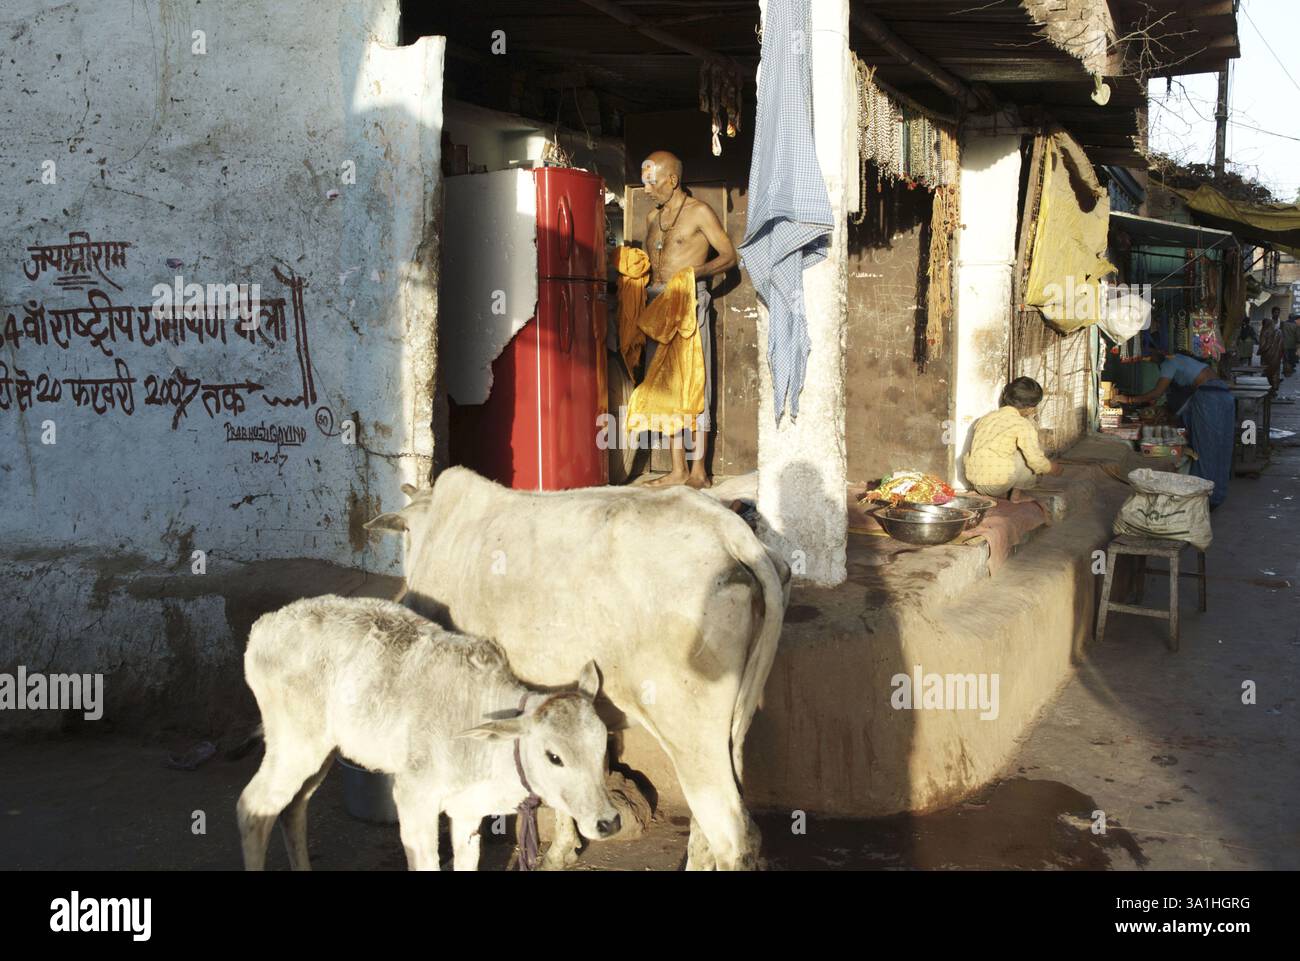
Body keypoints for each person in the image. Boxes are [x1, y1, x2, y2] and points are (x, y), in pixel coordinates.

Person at [635, 150, 736, 489]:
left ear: (672, 180)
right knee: (664, 388)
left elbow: (729, 256)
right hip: (657, 307)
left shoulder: (699, 213)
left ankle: (699, 472)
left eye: (651, 182)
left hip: (691, 305)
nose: (646, 189)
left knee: (695, 383)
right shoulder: (652, 219)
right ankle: (677, 470)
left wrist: (696, 273)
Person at [1114, 351, 1234, 508]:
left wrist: (1128, 399)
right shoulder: (1184, 361)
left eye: (1148, 357)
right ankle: (1216, 494)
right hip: (1224, 395)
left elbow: (1157, 392)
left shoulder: (1168, 363)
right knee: (1221, 446)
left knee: (1204, 448)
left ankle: (1203, 497)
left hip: (1209, 398)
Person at [963, 377, 1063, 499]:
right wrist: (1052, 468)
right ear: (1031, 408)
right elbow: (1035, 460)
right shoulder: (1022, 424)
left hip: (975, 481)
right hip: (998, 484)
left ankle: (994, 492)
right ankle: (1016, 495)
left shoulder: (986, 418)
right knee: (1026, 455)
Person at [1260, 310, 1284, 391]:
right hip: (1276, 357)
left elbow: (1263, 346)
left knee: (1267, 372)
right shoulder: (1279, 332)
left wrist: (1260, 351)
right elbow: (1281, 345)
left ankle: (1267, 388)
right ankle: (1274, 387)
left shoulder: (1264, 332)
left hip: (1267, 357)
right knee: (1275, 372)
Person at [1283, 313, 1300, 377]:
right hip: (1292, 344)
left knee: (1285, 358)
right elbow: (1297, 335)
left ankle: (1284, 370)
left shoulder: (1284, 324)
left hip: (1284, 344)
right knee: (1291, 358)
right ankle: (1290, 370)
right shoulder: (1295, 325)